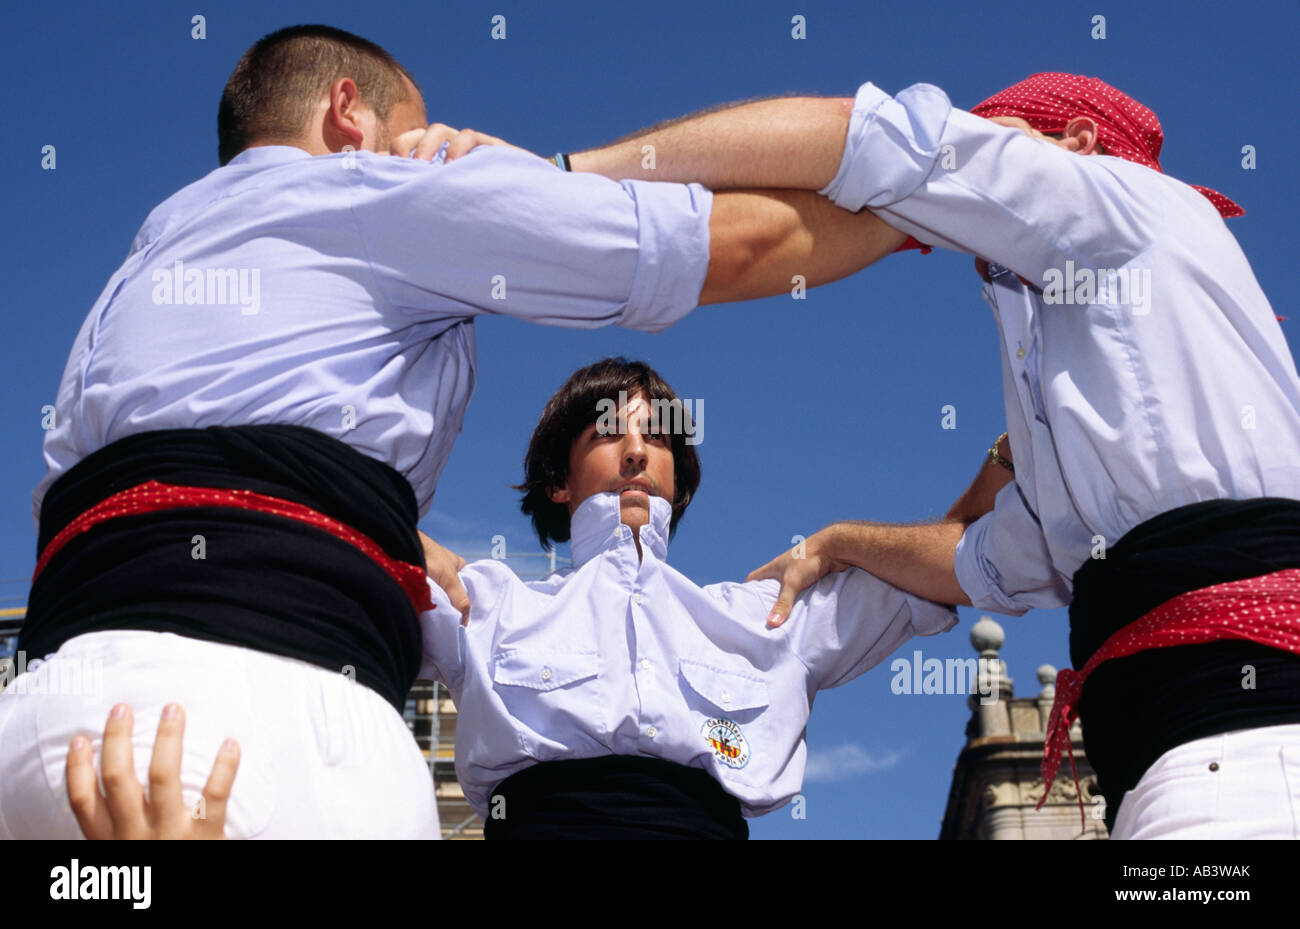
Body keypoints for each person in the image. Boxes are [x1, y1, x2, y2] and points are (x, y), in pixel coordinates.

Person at [0, 24, 909, 840]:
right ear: (347, 115)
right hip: (261, 721)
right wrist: (924, 212)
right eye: (414, 130)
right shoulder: (373, 193)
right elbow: (739, 244)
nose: (425, 149)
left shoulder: (143, 259)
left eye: (660, 435)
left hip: (48, 728)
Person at [573, 73, 1298, 838]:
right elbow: (984, 561)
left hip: (1247, 760)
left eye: (998, 137)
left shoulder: (1120, 204)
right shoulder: (1089, 377)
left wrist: (579, 178)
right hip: (1188, 765)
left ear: (1077, 145)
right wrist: (839, 539)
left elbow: (868, 141)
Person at [67, 358, 1021, 839]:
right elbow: (331, 538)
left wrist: (842, 539)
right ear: (560, 484)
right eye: (612, 435)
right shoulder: (489, 604)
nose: (641, 451)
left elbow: (961, 555)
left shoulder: (766, 611)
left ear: (683, 478)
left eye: (662, 440)